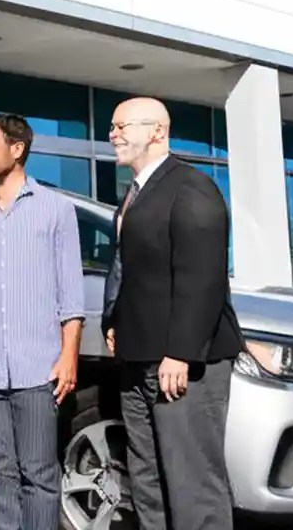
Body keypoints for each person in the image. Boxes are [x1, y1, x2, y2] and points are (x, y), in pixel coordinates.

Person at [100, 96, 244, 530]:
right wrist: (114, 322)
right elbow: (132, 269)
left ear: (158, 132)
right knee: (147, 479)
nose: (113, 135)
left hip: (181, 365)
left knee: (192, 483)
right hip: (137, 358)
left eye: (123, 126)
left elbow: (204, 278)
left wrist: (181, 352)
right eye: (112, 127)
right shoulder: (136, 194)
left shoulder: (191, 186)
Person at [0, 113, 85, 530]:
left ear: (17, 149)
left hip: (38, 369)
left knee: (41, 476)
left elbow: (72, 297)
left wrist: (69, 357)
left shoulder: (57, 211)